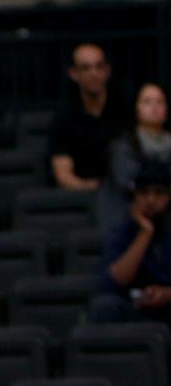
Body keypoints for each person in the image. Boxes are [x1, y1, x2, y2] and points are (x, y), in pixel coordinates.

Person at [96, 161, 171, 323]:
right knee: (106, 306)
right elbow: (114, 281)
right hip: (134, 307)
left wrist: (167, 293)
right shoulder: (122, 232)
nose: (151, 200)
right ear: (134, 196)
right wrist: (145, 234)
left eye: (159, 193)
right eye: (144, 193)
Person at [49, 42, 130, 191]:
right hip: (83, 196)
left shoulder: (125, 110)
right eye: (86, 68)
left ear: (107, 71)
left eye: (99, 66)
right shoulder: (63, 118)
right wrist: (95, 188)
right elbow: (63, 176)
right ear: (73, 74)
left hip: (124, 193)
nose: (94, 73)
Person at [99, 82, 171, 230]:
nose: (154, 107)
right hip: (130, 215)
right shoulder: (123, 145)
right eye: (147, 102)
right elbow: (126, 181)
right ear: (136, 108)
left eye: (159, 102)